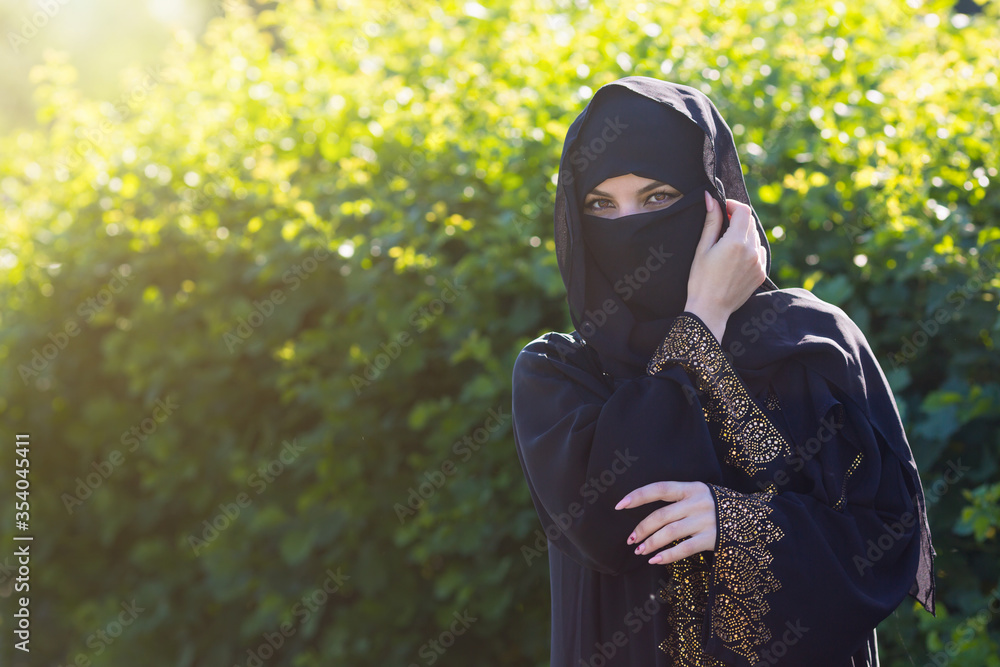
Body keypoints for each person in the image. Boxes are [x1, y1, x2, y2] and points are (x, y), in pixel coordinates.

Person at [510, 76, 936, 666]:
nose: (629, 226)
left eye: (657, 197)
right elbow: (609, 524)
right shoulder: (559, 375)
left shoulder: (810, 347)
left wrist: (740, 526)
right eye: (601, 205)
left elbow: (887, 540)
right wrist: (702, 318)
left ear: (715, 202)